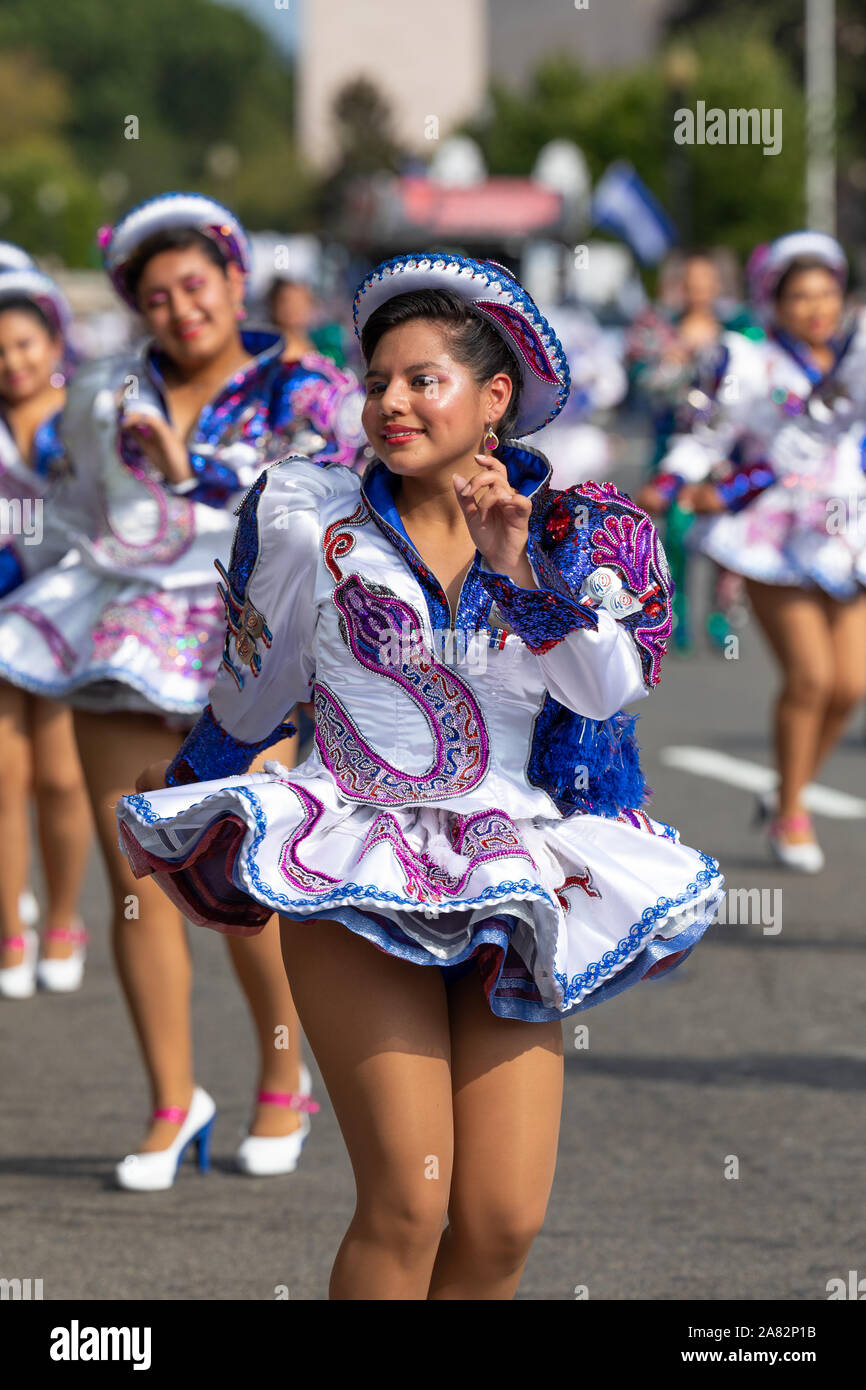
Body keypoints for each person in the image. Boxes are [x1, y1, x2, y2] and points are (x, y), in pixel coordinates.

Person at [117, 251, 725, 1299]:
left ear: (494, 398)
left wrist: (519, 568)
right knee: (407, 1201)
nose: (389, 403)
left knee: (496, 1222)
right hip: (353, 855)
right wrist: (192, 785)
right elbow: (254, 698)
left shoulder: (578, 531)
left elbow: (604, 689)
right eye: (375, 381)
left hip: (514, 874)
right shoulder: (310, 515)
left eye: (420, 380)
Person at [0, 192, 368, 1185]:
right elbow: (65, 507)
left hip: (249, 646)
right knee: (138, 888)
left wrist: (194, 465)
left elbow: (331, 507)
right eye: (154, 295)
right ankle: (172, 1101)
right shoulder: (105, 394)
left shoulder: (309, 387)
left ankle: (283, 1080)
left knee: (254, 869)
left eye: (194, 286)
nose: (179, 310)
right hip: (120, 636)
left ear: (234, 278)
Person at [651, 231, 866, 871]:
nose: (816, 308)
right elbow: (707, 438)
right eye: (800, 296)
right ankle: (793, 811)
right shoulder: (748, 361)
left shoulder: (855, 363)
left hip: (845, 533)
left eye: (827, 294)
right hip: (769, 536)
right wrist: (669, 482)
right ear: (773, 299)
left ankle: (782, 792)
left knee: (851, 685)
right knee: (811, 676)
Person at [0, 265, 93, 998]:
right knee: (5, 778)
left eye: (25, 344)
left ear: (54, 342)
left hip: (72, 620)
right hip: (3, 618)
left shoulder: (86, 418)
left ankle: (63, 915)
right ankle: (10, 927)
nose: (13, 362)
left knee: (62, 777)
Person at [629, 250, 761, 651]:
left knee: (727, 528)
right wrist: (676, 364)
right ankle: (679, 610)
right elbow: (639, 378)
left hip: (730, 449)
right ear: (679, 285)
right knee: (679, 526)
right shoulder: (658, 327)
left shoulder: (741, 329)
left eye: (706, 281)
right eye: (690, 281)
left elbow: (758, 379)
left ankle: (722, 615)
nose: (698, 290)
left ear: (717, 286)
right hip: (677, 442)